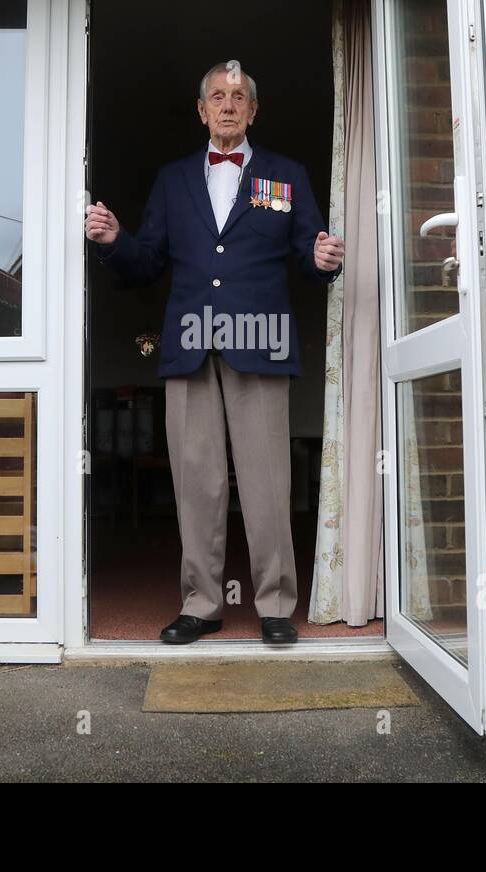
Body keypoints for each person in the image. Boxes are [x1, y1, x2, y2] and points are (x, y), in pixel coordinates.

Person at [85, 60, 344, 644]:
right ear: (202, 111)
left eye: (239, 96)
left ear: (253, 110)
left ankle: (275, 605)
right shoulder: (173, 179)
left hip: (261, 344)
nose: (229, 105)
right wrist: (114, 241)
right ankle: (202, 604)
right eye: (218, 97)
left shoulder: (286, 174)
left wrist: (322, 260)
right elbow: (147, 263)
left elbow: (309, 252)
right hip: (190, 346)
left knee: (267, 483)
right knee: (197, 483)